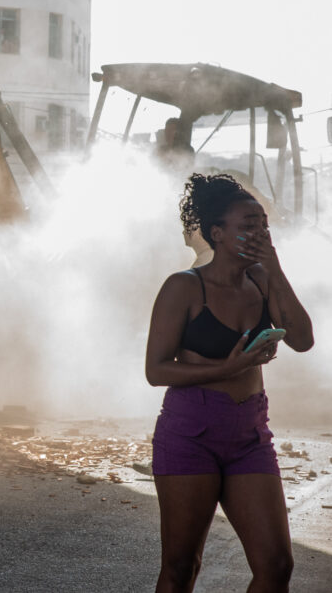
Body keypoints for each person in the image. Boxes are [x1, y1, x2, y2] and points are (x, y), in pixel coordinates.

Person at [145, 173, 313, 592]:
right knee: (182, 566)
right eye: (247, 225)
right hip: (190, 433)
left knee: (276, 565)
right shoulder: (183, 286)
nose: (259, 233)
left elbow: (304, 340)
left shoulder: (261, 278)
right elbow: (156, 370)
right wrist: (226, 368)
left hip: (249, 435)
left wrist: (274, 267)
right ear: (216, 233)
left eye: (263, 224)